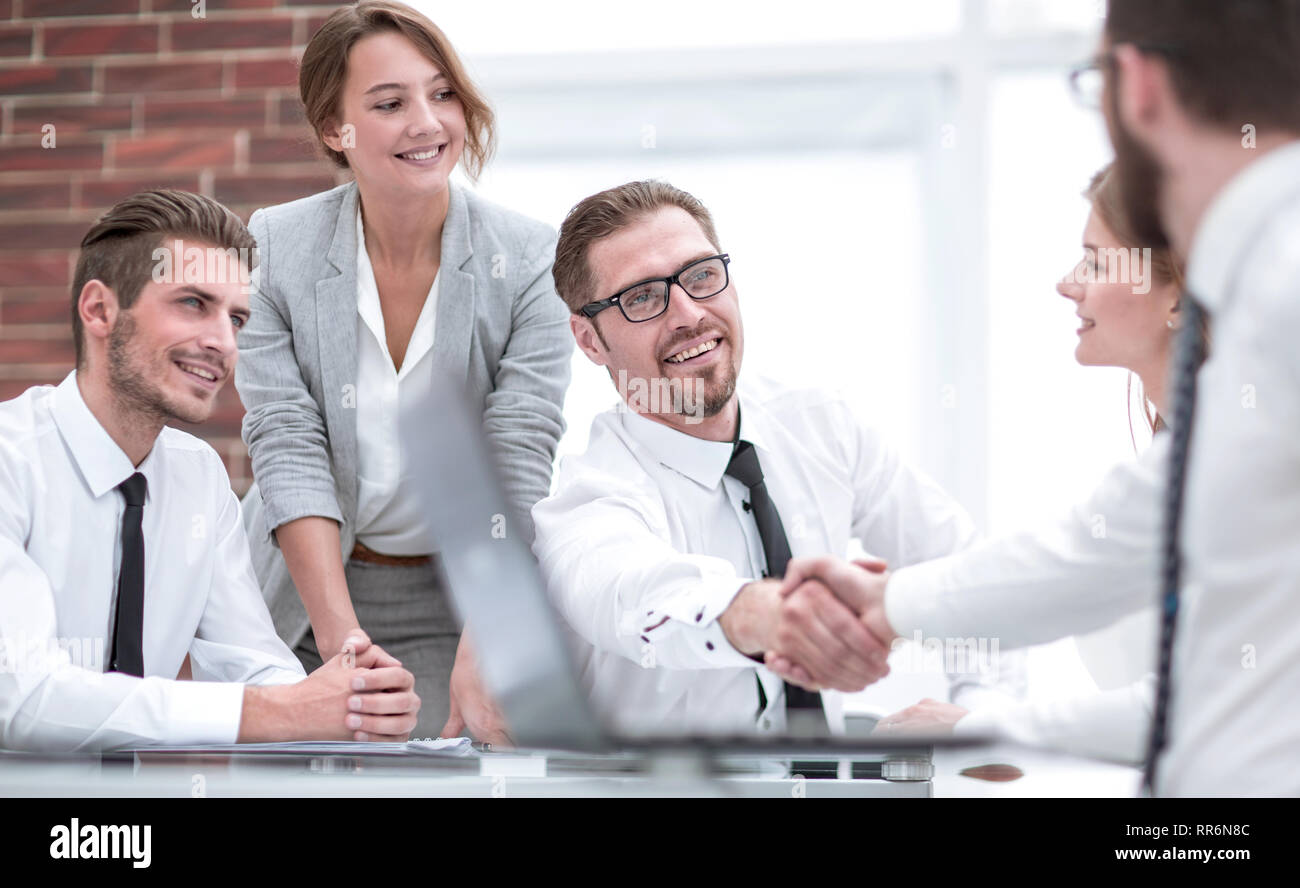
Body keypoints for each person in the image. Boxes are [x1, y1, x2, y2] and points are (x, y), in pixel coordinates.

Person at [769, 0, 1300, 796]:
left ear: (1137, 85)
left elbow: (1121, 553)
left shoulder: (1280, 289)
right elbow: (1138, 526)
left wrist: (905, 624)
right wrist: (898, 603)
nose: (1067, 285)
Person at [517, 180, 1024, 744]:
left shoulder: (821, 425)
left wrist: (984, 718)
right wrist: (769, 617)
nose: (688, 313)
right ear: (589, 341)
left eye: (702, 275)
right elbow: (642, 595)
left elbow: (969, 572)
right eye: (641, 298)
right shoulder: (588, 502)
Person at [234, 1, 572, 739]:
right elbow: (286, 441)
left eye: (442, 93)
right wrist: (342, 646)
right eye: (390, 103)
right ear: (335, 129)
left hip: (458, 601)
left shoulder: (530, 260)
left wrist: (490, 641)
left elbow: (516, 461)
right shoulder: (274, 246)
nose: (428, 122)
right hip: (306, 591)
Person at [0, 190, 419, 750]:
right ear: (100, 310)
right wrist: (281, 711)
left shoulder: (197, 477)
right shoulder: (11, 459)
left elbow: (253, 669)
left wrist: (353, 701)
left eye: (237, 318)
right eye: (193, 303)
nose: (223, 342)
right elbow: (23, 698)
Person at [876, 163, 1205, 764]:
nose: (1067, 283)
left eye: (1097, 263)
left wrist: (985, 727)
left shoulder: (1229, 464)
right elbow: (1062, 571)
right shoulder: (1176, 456)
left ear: (1179, 294)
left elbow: (1191, 711)